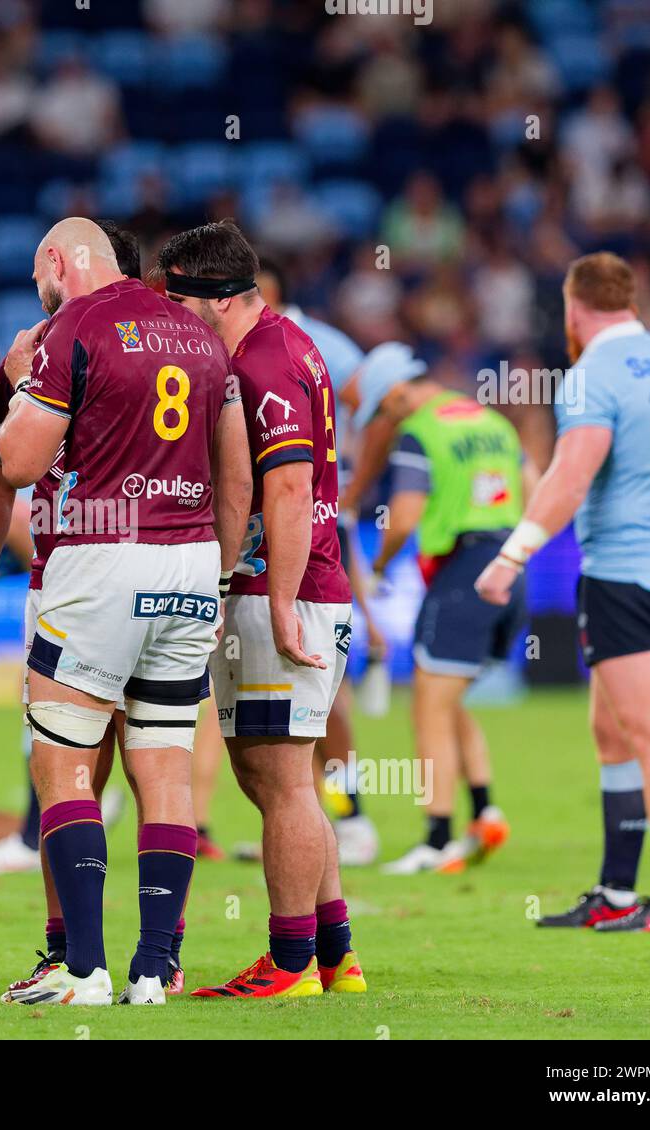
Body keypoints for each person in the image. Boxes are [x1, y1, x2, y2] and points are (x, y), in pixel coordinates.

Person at [0, 217, 249, 1005]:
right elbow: (234, 477)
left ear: (56, 262)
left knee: (65, 764)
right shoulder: (200, 334)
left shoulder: (73, 327)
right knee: (166, 771)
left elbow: (18, 462)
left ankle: (84, 970)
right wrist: (220, 564)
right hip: (191, 562)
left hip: (101, 558)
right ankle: (153, 968)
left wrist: (17, 384)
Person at [158, 220, 366, 999]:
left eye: (178, 300)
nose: (171, 315)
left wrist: (278, 603)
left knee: (280, 782)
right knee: (282, 779)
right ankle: (334, 951)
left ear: (215, 299)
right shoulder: (284, 344)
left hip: (286, 590)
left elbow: (287, 487)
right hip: (292, 586)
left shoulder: (266, 359)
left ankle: (289, 963)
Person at [477, 251, 650, 932]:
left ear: (576, 308)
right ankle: (615, 895)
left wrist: (511, 556)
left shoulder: (592, 373)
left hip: (627, 571)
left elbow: (570, 475)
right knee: (612, 730)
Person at [350, 342, 520, 875]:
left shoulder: (421, 432)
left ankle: (438, 838)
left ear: (399, 393)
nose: (383, 421)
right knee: (449, 697)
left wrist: (378, 566)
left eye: (382, 408)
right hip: (512, 565)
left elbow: (402, 519)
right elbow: (532, 484)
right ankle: (485, 810)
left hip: (463, 571)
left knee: (427, 707)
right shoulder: (492, 422)